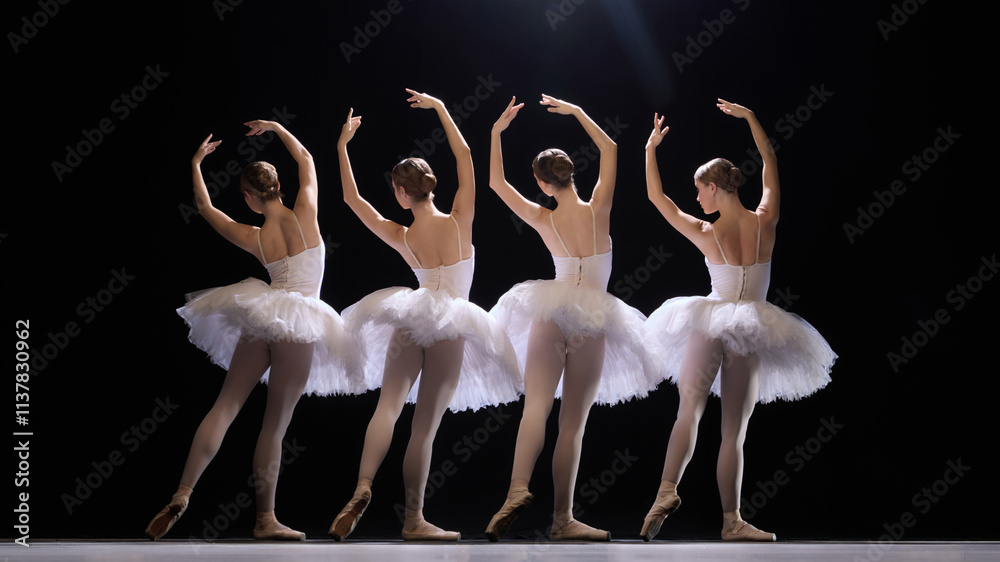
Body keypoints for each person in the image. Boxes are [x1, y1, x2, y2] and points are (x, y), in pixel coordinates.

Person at [145, 120, 365, 541]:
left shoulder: (254, 235)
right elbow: (307, 159)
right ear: (278, 187)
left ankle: (181, 494)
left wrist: (195, 163)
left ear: (248, 198)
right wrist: (278, 127)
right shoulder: (306, 213)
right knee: (274, 426)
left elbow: (206, 209)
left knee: (224, 407)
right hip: (299, 324)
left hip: (261, 315)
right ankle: (265, 520)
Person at [639, 100, 836, 542]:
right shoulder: (766, 220)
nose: (696, 197)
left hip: (712, 320)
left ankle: (665, 492)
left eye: (699, 189)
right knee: (735, 431)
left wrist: (651, 149)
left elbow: (657, 199)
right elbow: (769, 160)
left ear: (713, 187)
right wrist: (751, 118)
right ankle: (731, 520)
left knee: (687, 411)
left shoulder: (708, 232)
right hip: (754, 328)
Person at [329, 91, 521, 541]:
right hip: (453, 324)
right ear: (431, 186)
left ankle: (362, 487)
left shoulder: (403, 234)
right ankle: (413, 519)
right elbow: (466, 155)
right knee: (425, 427)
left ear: (400, 193)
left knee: (388, 406)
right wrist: (441, 107)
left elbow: (352, 199)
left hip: (411, 315)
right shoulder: (459, 220)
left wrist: (342, 146)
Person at [484, 95, 660, 542]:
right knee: (573, 423)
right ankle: (562, 519)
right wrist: (580, 112)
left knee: (536, 407)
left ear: (543, 185)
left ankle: (517, 489)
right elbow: (611, 150)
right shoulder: (598, 208)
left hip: (551, 311)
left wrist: (496, 132)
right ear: (570, 176)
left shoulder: (544, 217)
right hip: (594, 318)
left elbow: (496, 185)